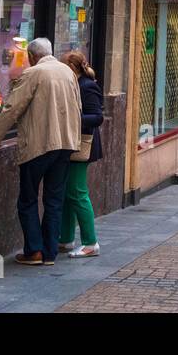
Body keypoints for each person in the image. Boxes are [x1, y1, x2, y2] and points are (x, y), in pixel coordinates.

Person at [0, 37, 82, 267]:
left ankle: (34, 251)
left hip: (39, 144)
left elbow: (11, 109)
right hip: (65, 145)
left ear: (32, 57)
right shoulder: (67, 72)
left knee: (28, 199)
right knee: (54, 200)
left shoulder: (33, 74)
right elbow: (77, 107)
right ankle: (49, 252)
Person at [57, 50, 104, 258]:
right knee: (68, 193)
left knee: (77, 192)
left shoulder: (87, 86)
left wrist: (71, 118)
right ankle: (66, 239)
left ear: (72, 68)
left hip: (82, 146)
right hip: (70, 144)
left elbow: (97, 117)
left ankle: (90, 243)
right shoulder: (74, 84)